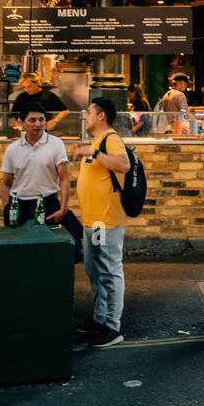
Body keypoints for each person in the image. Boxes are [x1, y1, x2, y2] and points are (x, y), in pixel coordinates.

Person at [72, 97, 132, 348]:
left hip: (106, 220)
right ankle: (99, 318)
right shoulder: (97, 141)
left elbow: (124, 165)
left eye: (88, 112)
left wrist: (94, 152)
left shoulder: (110, 139)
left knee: (109, 271)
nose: (84, 116)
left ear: (101, 116)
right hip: (93, 220)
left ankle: (112, 327)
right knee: (94, 271)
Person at [1, 101, 84, 260]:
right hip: (20, 206)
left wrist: (63, 208)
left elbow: (64, 179)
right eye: (32, 120)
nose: (38, 124)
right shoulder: (13, 149)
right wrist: (7, 209)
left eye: (41, 119)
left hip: (48, 205)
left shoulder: (56, 144)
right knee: (21, 257)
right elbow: (6, 183)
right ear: (22, 123)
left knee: (59, 255)